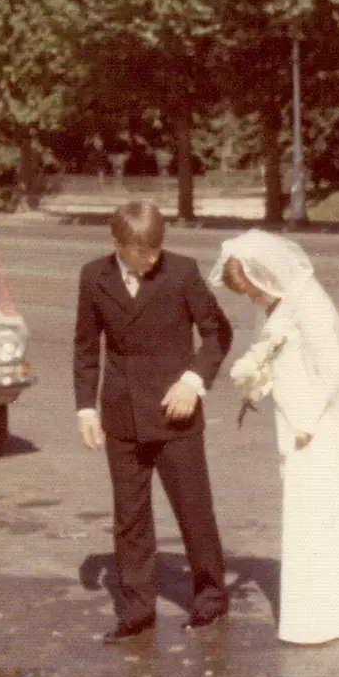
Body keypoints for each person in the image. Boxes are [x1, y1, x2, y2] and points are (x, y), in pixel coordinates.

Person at [209, 230, 339, 645]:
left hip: (319, 422)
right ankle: (319, 613)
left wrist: (308, 421)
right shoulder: (272, 306)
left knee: (327, 512)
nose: (252, 300)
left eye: (251, 291)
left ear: (267, 276)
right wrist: (257, 382)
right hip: (290, 418)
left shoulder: (307, 301)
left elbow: (330, 366)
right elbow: (274, 356)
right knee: (306, 513)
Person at [73, 200, 234, 643]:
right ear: (118, 243)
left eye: (156, 249)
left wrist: (193, 381)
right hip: (122, 414)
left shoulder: (181, 272)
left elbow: (218, 332)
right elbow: (86, 348)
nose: (151, 258)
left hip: (174, 413)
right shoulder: (93, 277)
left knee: (193, 510)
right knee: (130, 517)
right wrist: (85, 408)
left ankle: (210, 600)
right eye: (141, 251)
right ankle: (136, 610)